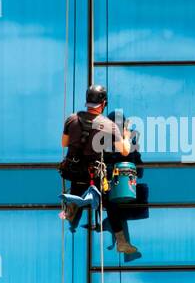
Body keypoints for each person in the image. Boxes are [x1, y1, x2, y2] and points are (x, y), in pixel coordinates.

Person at [59, 85, 140, 257]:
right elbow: (125, 151)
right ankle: (122, 243)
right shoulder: (108, 125)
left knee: (77, 188)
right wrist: (125, 134)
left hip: (73, 172)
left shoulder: (71, 120)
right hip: (93, 176)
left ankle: (71, 212)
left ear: (87, 101)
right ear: (103, 103)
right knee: (111, 203)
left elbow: (64, 143)